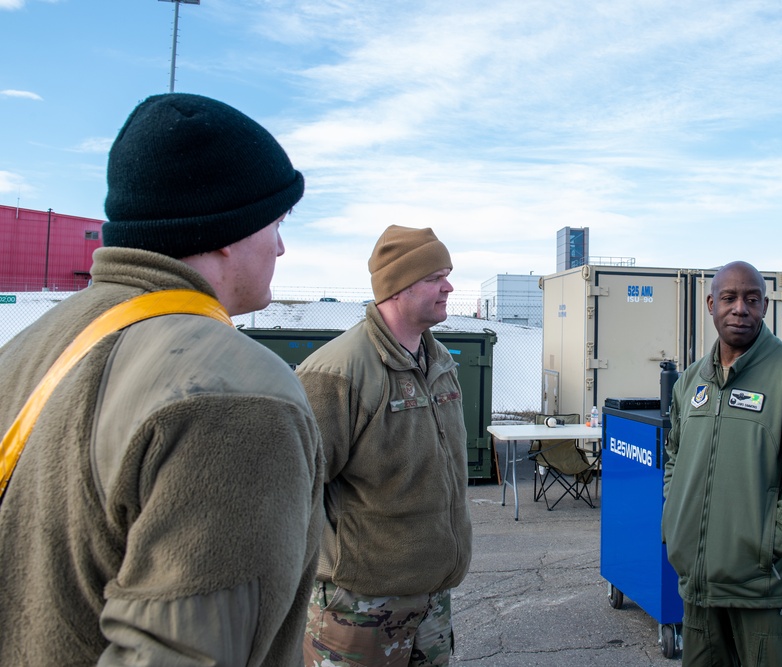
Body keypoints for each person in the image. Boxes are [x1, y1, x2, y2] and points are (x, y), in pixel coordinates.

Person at [0, 93, 325, 665]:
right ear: (224, 226)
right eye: (276, 222)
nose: (280, 246)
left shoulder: (32, 345)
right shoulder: (233, 393)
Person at [296, 225, 472, 667]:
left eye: (447, 275)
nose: (448, 287)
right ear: (398, 286)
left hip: (433, 600)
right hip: (357, 611)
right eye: (435, 277)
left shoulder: (440, 363)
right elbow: (293, 489)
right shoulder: (338, 373)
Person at [661, 260, 782, 666]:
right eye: (729, 298)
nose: (740, 309)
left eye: (752, 299)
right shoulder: (691, 381)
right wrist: (677, 522)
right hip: (700, 589)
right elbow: (674, 457)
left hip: (765, 594)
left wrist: (768, 549)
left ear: (764, 306)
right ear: (711, 304)